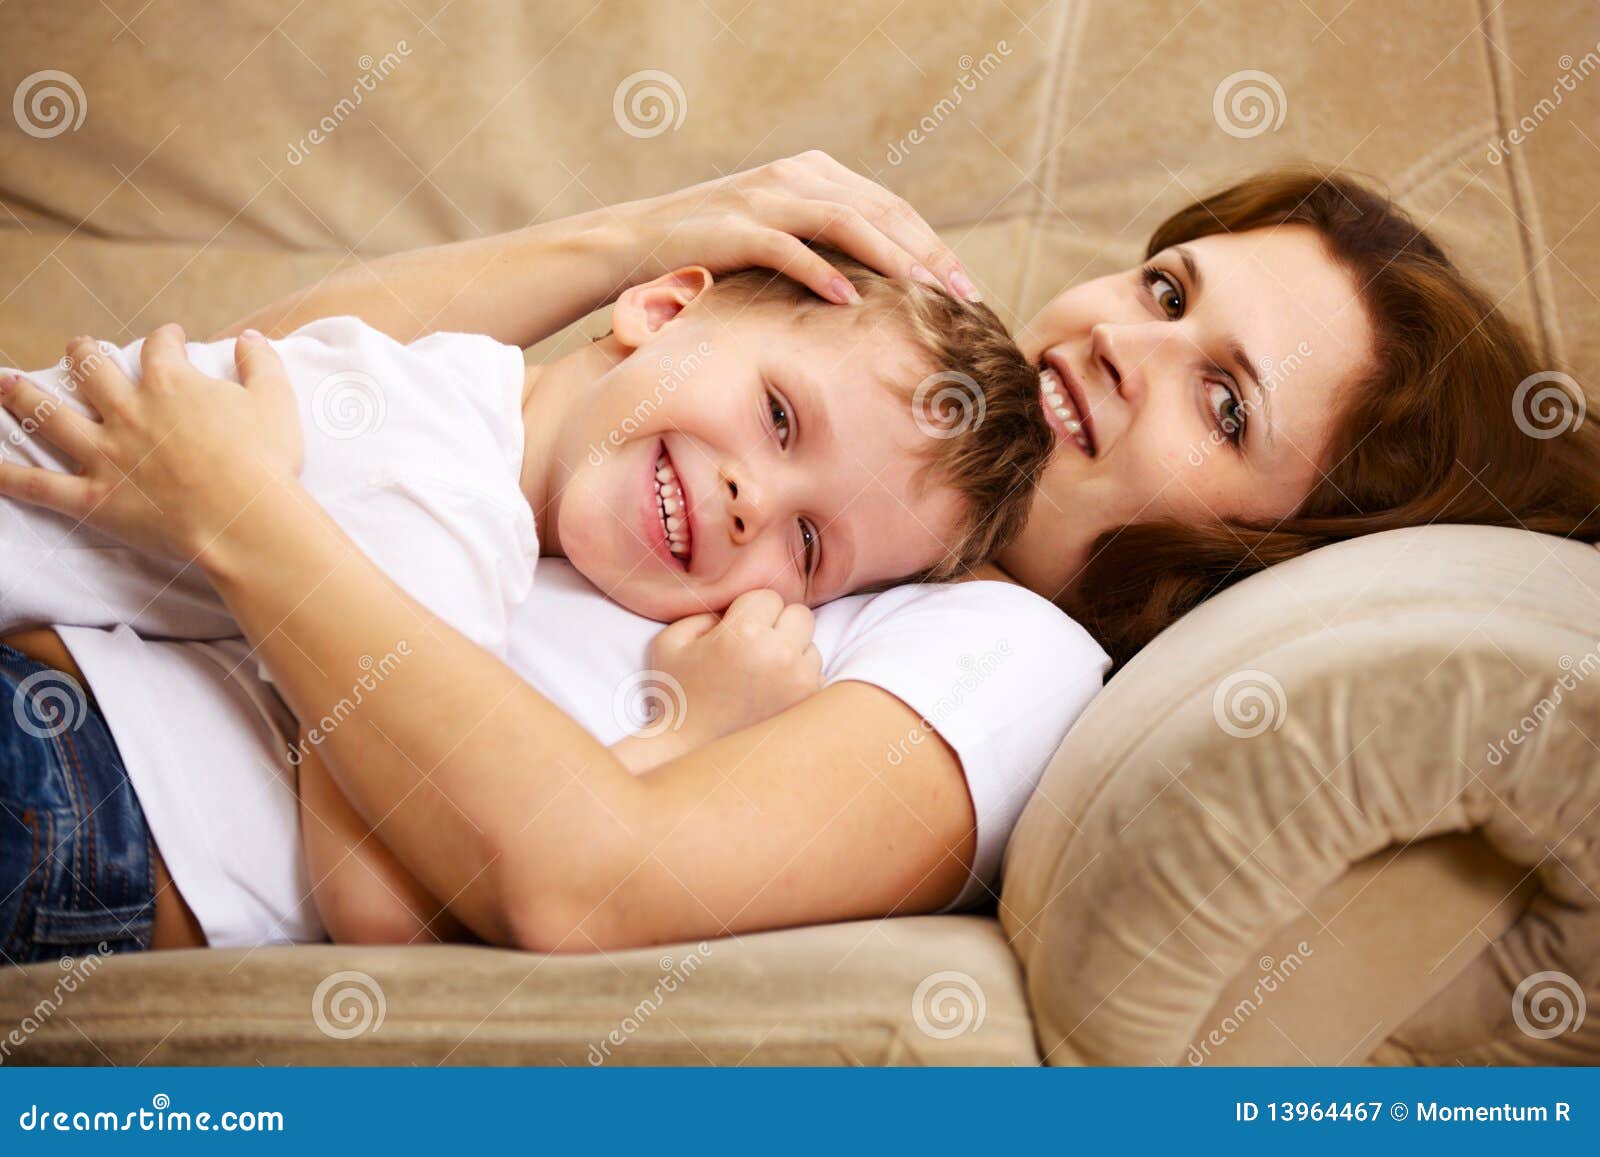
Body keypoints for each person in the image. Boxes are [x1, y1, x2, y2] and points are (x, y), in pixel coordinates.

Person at [4, 154, 1595, 959]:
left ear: (1260, 553)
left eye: (1224, 401)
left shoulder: (1011, 655)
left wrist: (245, 519)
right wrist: (643, 235)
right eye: (1172, 294)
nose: (1127, 346)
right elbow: (254, 387)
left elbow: (593, 882)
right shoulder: (869, 410)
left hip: (88, 792)